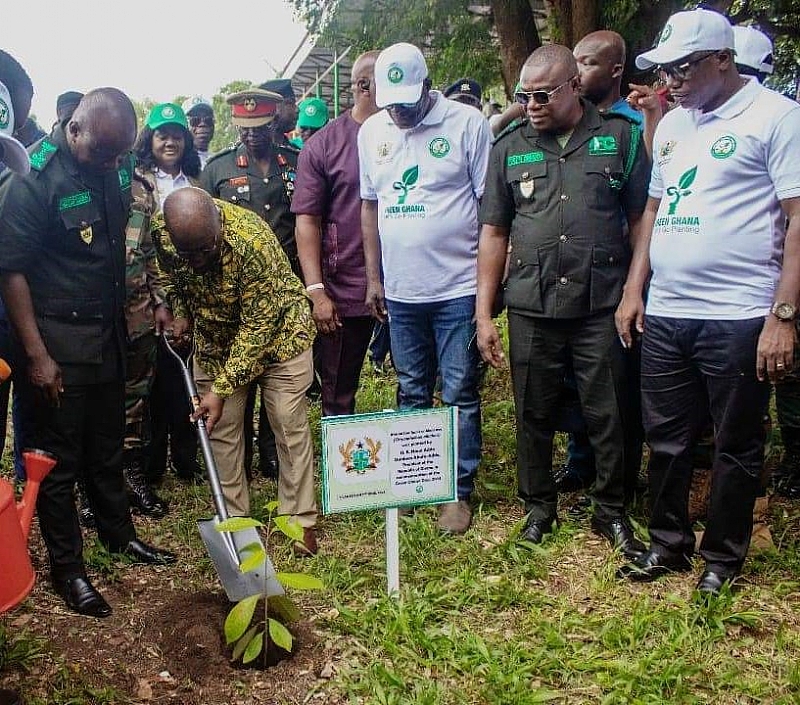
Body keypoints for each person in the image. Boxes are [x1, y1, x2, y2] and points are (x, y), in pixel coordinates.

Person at [615, 9, 800, 595]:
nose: (675, 80)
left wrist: (782, 316)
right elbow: (654, 210)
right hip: (670, 309)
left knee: (736, 442)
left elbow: (798, 220)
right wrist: (633, 289)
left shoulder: (777, 118)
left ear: (724, 59)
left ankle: (722, 556)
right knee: (666, 437)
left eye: (687, 66)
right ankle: (668, 545)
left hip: (740, 313)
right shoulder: (672, 125)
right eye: (668, 69)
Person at [0, 88, 176, 619]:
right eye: (104, 153)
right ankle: (68, 567)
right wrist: (36, 356)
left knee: (107, 444)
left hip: (108, 336)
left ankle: (119, 534)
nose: (115, 164)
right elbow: (11, 271)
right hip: (56, 343)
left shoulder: (112, 163)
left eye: (120, 155)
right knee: (55, 460)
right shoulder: (32, 179)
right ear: (73, 128)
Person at [475, 44, 650, 558]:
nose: (531, 104)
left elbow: (642, 222)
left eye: (542, 94)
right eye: (523, 95)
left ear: (574, 85)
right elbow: (494, 233)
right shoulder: (509, 146)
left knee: (611, 411)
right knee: (533, 408)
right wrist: (484, 313)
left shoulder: (621, 138)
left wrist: (635, 291)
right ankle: (538, 508)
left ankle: (611, 510)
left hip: (602, 304)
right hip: (532, 302)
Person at [359, 42, 492, 534]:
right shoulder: (373, 132)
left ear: (428, 86)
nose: (397, 112)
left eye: (406, 102)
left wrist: (483, 291)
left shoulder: (467, 125)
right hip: (402, 292)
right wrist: (375, 278)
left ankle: (457, 492)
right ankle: (417, 481)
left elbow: (488, 211)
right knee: (411, 388)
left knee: (458, 390)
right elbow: (369, 207)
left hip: (457, 287)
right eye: (389, 102)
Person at [151, 187, 319, 554]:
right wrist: (181, 312)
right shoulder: (162, 233)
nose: (196, 261)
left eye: (205, 251)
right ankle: (236, 527)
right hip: (215, 340)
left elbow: (258, 328)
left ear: (218, 229)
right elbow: (175, 280)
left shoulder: (252, 243)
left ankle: (298, 522)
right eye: (187, 253)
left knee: (287, 425)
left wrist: (221, 389)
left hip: (279, 337)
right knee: (220, 434)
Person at [556, 30, 648, 506]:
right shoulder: (568, 123)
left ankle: (620, 478)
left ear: (615, 70)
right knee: (574, 377)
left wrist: (638, 279)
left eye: (587, 64)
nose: (576, 72)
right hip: (573, 278)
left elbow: (642, 211)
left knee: (615, 383)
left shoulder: (637, 125)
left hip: (620, 277)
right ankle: (580, 462)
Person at [201, 87, 301, 480]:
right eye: (245, 129)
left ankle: (272, 453)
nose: (252, 136)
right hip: (234, 296)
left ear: (274, 120)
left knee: (278, 374)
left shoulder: (295, 161)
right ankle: (235, 458)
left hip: (283, 290)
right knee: (238, 377)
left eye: (259, 127)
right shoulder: (218, 169)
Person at [121, 102, 202, 515]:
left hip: (173, 292)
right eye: (161, 134)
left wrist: (169, 303)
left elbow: (151, 251)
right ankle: (134, 470)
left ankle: (180, 461)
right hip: (123, 301)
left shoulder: (197, 179)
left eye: (177, 134)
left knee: (169, 381)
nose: (169, 141)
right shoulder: (135, 182)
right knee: (134, 391)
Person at [293, 51, 379, 418]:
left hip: (410, 284)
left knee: (417, 382)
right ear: (362, 86)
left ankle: (412, 465)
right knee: (339, 388)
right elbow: (307, 221)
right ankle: (344, 469)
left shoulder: (410, 137)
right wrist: (317, 291)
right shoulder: (323, 146)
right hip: (347, 285)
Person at [181, 95, 215, 168]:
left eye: (208, 120)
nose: (202, 124)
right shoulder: (176, 162)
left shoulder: (219, 161)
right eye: (195, 121)